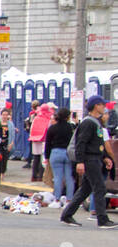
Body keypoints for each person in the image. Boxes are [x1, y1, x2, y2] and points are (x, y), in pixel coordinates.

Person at [60, 95, 118, 228]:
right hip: (89, 159)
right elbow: (82, 143)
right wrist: (80, 162)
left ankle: (67, 215)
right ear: (96, 106)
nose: (104, 107)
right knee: (100, 188)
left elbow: (95, 144)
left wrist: (105, 158)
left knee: (85, 189)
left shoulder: (96, 122)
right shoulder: (88, 122)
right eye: (102, 105)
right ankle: (102, 220)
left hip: (96, 158)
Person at [46, 107, 76, 206]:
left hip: (55, 152)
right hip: (68, 153)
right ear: (68, 117)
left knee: (57, 177)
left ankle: (57, 200)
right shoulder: (70, 127)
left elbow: (48, 143)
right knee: (69, 177)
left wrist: (47, 156)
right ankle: (69, 200)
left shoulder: (52, 128)